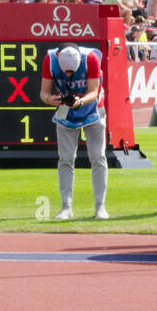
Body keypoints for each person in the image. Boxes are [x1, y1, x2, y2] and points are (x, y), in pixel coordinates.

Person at [40, 44, 108, 220]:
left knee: (98, 157)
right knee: (66, 158)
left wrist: (80, 101)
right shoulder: (50, 60)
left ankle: (100, 207)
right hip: (65, 110)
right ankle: (66, 207)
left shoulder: (91, 58)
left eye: (72, 72)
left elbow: (94, 91)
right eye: (66, 73)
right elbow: (43, 92)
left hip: (93, 109)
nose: (69, 75)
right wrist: (49, 99)